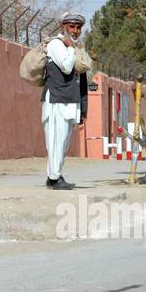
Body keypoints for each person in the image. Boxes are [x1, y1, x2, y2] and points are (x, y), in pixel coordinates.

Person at [42, 12, 91, 190]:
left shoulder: (77, 48)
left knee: (63, 142)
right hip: (56, 99)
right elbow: (66, 66)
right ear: (63, 26)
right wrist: (70, 48)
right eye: (72, 26)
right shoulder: (56, 44)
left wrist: (84, 108)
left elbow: (83, 80)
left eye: (78, 27)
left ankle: (54, 175)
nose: (75, 30)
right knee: (56, 139)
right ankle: (54, 178)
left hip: (71, 101)